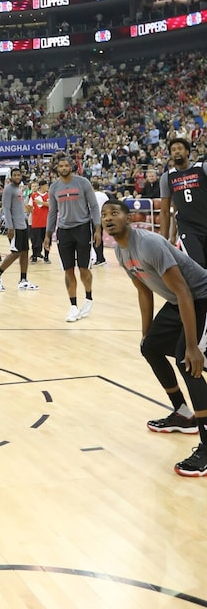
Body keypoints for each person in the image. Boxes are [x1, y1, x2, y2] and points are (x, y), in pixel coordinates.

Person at [101, 198, 207, 477]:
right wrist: (147, 333)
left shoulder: (149, 243)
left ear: (129, 218)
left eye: (114, 213)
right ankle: (183, 414)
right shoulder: (121, 252)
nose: (108, 218)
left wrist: (193, 347)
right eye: (104, 215)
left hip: (201, 297)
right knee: (150, 348)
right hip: (179, 301)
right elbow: (143, 290)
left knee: (189, 362)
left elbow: (185, 291)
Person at [44, 155, 102, 322]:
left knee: (84, 268)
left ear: (71, 166)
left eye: (66, 165)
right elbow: (52, 212)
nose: (63, 168)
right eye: (60, 165)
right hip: (64, 231)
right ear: (57, 168)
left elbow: (94, 207)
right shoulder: (54, 187)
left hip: (83, 228)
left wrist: (97, 229)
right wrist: (48, 234)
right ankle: (73, 306)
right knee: (68, 270)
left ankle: (89, 298)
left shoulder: (83, 183)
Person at [0, 168, 39, 291]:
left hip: (23, 225)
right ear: (11, 177)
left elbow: (17, 207)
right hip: (15, 227)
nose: (17, 177)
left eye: (18, 175)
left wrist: (25, 210)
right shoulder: (8, 189)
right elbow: (6, 208)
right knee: (16, 252)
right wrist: (10, 227)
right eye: (14, 175)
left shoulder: (18, 189)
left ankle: (23, 280)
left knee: (25, 252)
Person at [159, 137, 207, 266]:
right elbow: (164, 211)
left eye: (180, 148)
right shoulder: (167, 177)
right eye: (173, 150)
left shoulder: (202, 168)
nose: (176, 152)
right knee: (198, 265)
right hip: (188, 228)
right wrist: (164, 238)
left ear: (187, 152)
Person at [30, 179, 50, 263]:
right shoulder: (33, 195)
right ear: (42, 186)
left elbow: (50, 205)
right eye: (46, 185)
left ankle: (46, 256)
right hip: (36, 222)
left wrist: (41, 202)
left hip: (46, 222)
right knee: (35, 240)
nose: (47, 187)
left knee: (46, 240)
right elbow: (29, 206)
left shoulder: (48, 196)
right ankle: (34, 256)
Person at [91, 177, 108, 266]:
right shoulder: (104, 195)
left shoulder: (92, 195)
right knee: (99, 238)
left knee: (95, 239)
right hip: (103, 218)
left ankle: (100, 258)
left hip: (94, 219)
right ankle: (100, 257)